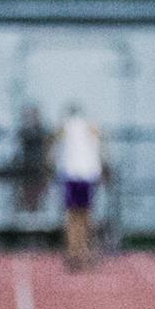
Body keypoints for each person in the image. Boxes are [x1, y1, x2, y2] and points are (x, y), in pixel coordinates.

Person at [53, 104, 103, 270]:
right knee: (85, 215)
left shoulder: (65, 126)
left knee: (73, 216)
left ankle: (75, 251)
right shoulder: (90, 126)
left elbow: (54, 146)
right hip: (86, 175)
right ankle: (84, 251)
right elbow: (100, 147)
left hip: (72, 175)